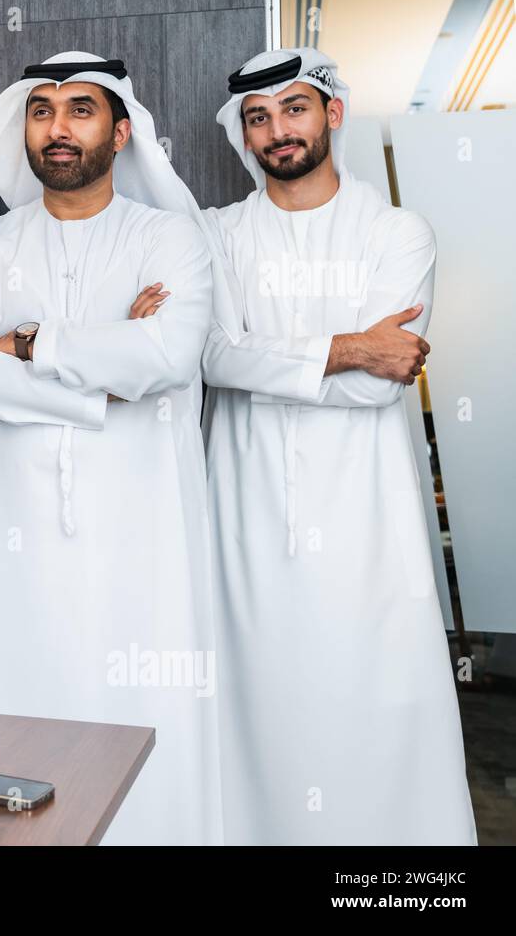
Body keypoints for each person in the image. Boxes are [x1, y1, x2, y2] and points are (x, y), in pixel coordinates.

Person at [0, 51, 224, 844]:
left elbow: (167, 357)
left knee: (145, 706)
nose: (57, 127)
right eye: (42, 111)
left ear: (121, 132)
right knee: (21, 711)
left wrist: (26, 341)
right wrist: (103, 373)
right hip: (18, 538)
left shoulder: (171, 237)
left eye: (80, 109)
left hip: (142, 532)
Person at [201, 47, 476, 844]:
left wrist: (270, 359)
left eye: (294, 109)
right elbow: (214, 357)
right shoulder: (217, 233)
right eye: (258, 118)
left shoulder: (397, 233)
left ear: (333, 113)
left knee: (376, 715)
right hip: (245, 518)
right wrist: (352, 346)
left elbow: (379, 385)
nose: (277, 131)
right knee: (258, 715)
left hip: (369, 527)